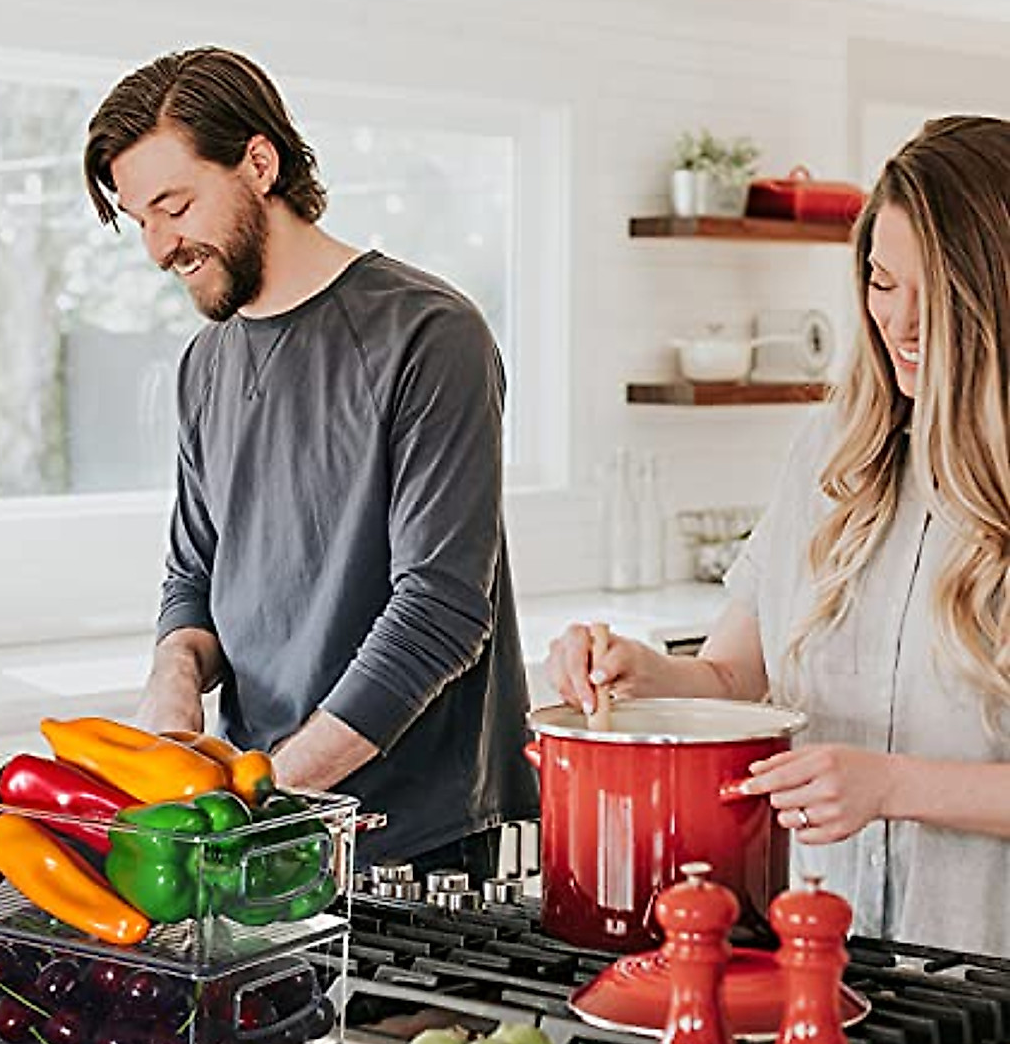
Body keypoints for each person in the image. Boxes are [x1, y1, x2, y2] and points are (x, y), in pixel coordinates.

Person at [546, 116, 1010, 956]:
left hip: (989, 977)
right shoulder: (834, 450)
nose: (898, 324)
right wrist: (641, 675)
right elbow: (733, 673)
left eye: (932, 291)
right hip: (823, 962)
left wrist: (897, 786)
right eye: (880, 282)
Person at [83, 47, 538, 879]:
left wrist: (265, 799)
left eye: (173, 206)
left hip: (411, 840)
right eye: (138, 219)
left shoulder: (430, 334)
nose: (157, 248)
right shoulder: (205, 362)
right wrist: (173, 677)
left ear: (260, 163)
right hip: (256, 819)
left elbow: (440, 611)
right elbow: (195, 575)